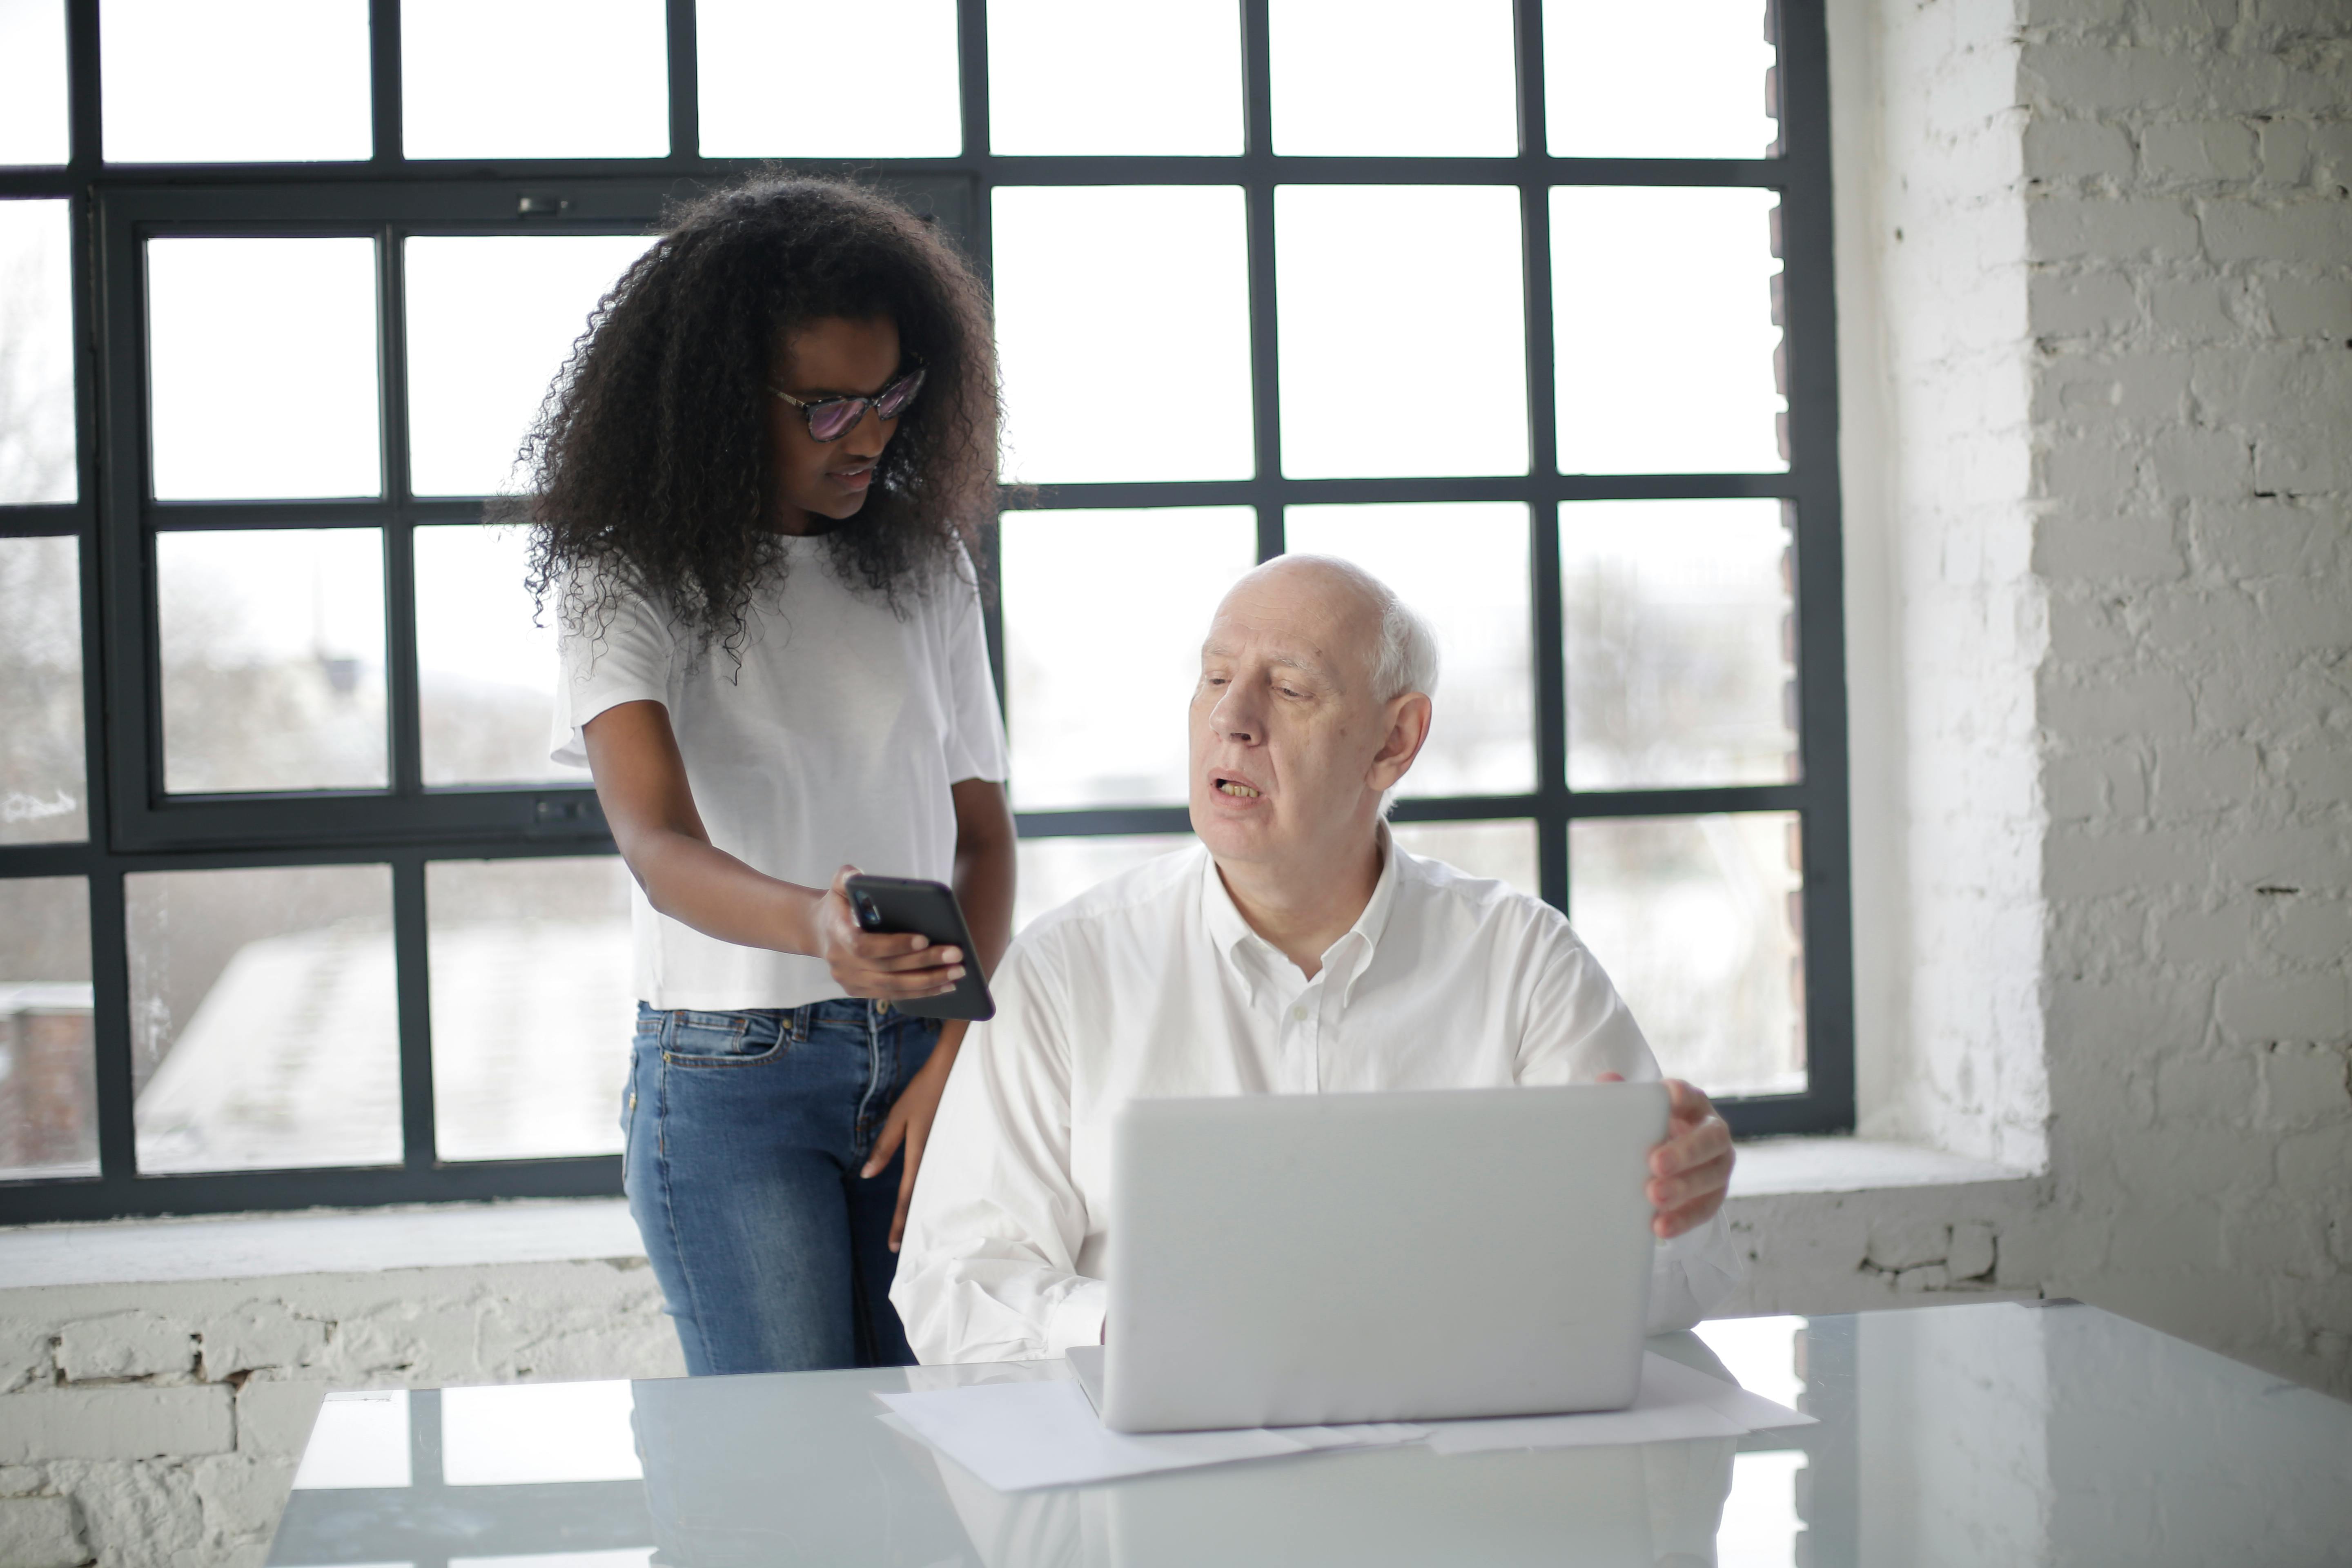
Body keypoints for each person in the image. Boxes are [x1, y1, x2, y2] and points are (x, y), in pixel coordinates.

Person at [892, 555, 1740, 1364]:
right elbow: (953, 1286)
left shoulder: (1523, 962)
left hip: (1449, 1452)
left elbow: (1672, 1290)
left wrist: (1675, 1206)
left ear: (1395, 741)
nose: (1232, 718)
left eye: (1290, 688)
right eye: (1215, 677)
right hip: (1157, 1459)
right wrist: (1139, 1332)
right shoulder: (1065, 970)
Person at [528, 174, 1015, 1375]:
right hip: (727, 1079)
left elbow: (984, 840)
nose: (872, 435)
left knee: (933, 1443)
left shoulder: (928, 566)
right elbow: (658, 847)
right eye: (827, 407)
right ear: (714, 399)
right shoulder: (624, 579)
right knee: (794, 1460)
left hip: (919, 1055)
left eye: (892, 395)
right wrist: (816, 925)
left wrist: (953, 1054)